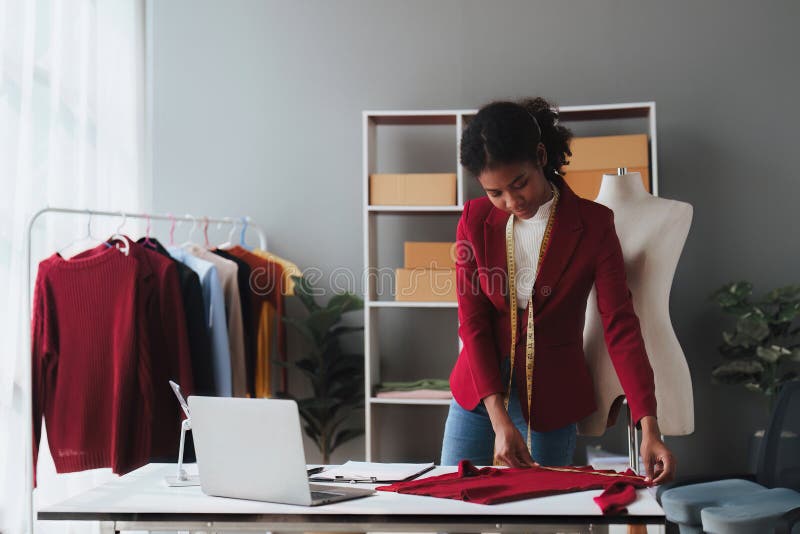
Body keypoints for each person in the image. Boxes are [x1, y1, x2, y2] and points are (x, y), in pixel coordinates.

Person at [441, 97, 675, 485]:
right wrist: (499, 419)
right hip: (478, 395)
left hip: (550, 401)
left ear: (540, 156)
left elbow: (620, 325)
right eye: (495, 192)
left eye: (519, 184)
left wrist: (649, 426)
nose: (511, 202)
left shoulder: (594, 224)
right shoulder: (474, 219)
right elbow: (473, 323)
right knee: (452, 505)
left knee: (540, 512)